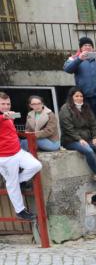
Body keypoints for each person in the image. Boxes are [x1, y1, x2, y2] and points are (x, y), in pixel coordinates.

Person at [0, 92, 42, 221]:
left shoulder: (9, 115)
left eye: (8, 103)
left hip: (17, 152)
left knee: (36, 165)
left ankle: (19, 181)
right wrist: (4, 116)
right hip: (4, 157)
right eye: (2, 104)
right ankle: (20, 211)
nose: (6, 106)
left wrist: (8, 116)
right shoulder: (4, 116)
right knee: (12, 184)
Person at [62, 37, 96, 139]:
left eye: (90, 45)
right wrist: (79, 59)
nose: (88, 47)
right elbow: (67, 69)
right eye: (85, 45)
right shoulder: (74, 58)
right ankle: (92, 139)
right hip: (84, 96)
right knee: (88, 119)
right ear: (81, 48)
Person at [59, 88, 96, 185]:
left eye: (81, 96)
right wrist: (79, 139)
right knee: (89, 151)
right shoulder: (65, 109)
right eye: (76, 96)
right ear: (71, 97)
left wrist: (95, 137)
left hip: (87, 139)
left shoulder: (86, 108)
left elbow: (94, 125)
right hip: (71, 140)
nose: (79, 98)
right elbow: (68, 128)